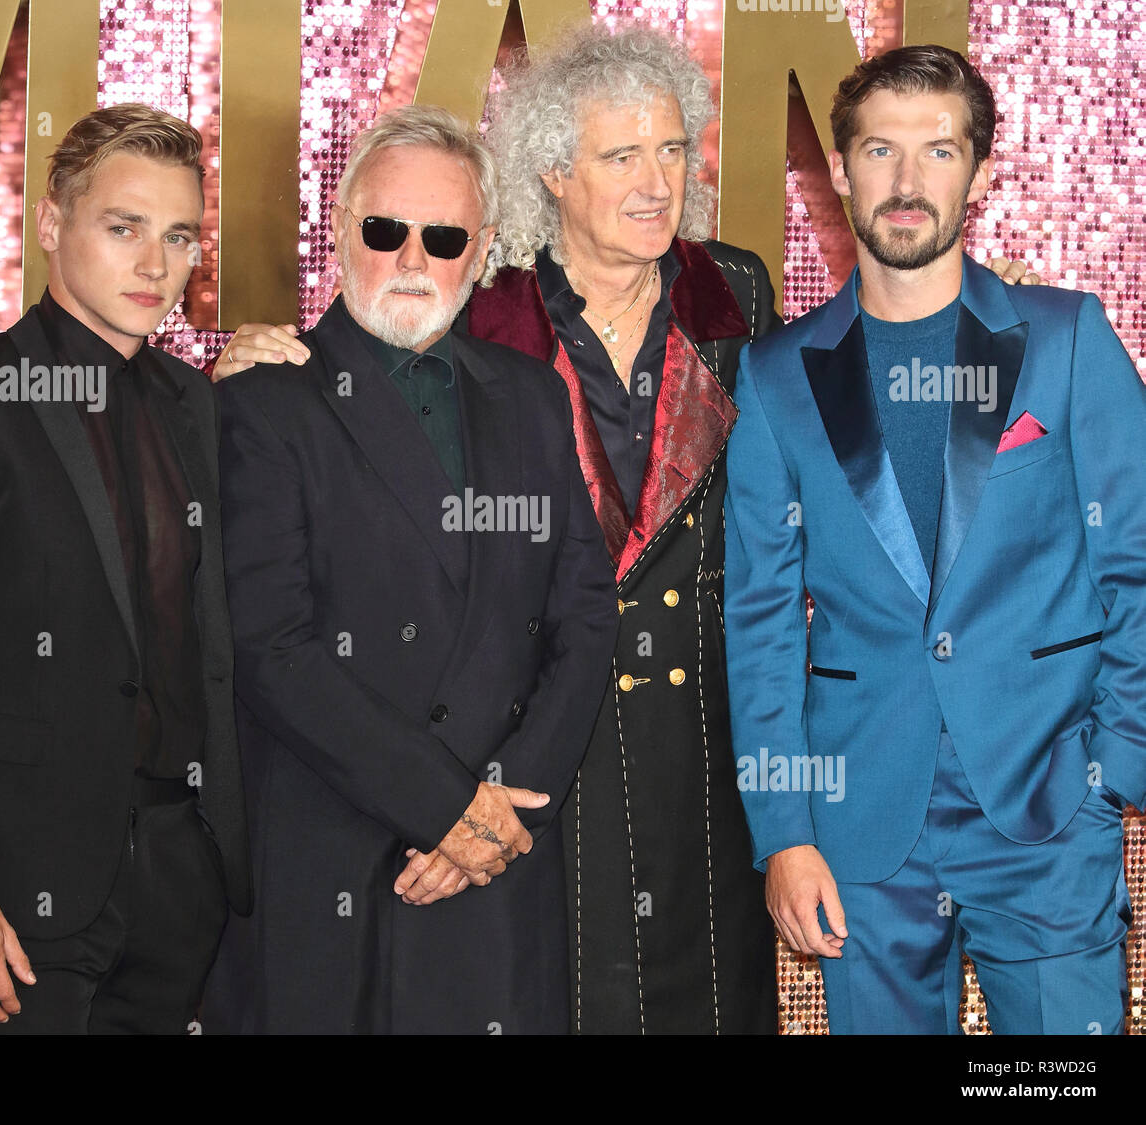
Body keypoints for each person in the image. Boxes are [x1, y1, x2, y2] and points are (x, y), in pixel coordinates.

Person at [210, 24, 1039, 1036]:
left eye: (672, 150)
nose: (657, 183)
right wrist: (262, 353)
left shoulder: (730, 293)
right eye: (620, 156)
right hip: (536, 751)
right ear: (554, 172)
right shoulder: (479, 309)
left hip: (698, 743)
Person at [723, 44, 1143, 1034]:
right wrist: (784, 833)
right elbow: (762, 623)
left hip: (1045, 816)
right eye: (879, 150)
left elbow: (1137, 564)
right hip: (861, 826)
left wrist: (1110, 773)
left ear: (980, 174)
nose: (906, 183)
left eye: (938, 151)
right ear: (837, 170)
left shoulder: (1069, 339)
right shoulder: (777, 376)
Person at [200, 104, 618, 1034]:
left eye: (444, 236)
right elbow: (271, 647)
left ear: (483, 250)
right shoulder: (264, 402)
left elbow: (586, 619)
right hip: (338, 862)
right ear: (342, 230)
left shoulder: (530, 398)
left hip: (497, 869)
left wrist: (505, 815)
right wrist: (444, 807)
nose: (412, 260)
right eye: (386, 231)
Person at [0, 104, 250, 1034]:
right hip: (16, 897)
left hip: (179, 886)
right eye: (124, 229)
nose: (155, 266)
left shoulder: (197, 404)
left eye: (178, 238)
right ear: (50, 226)